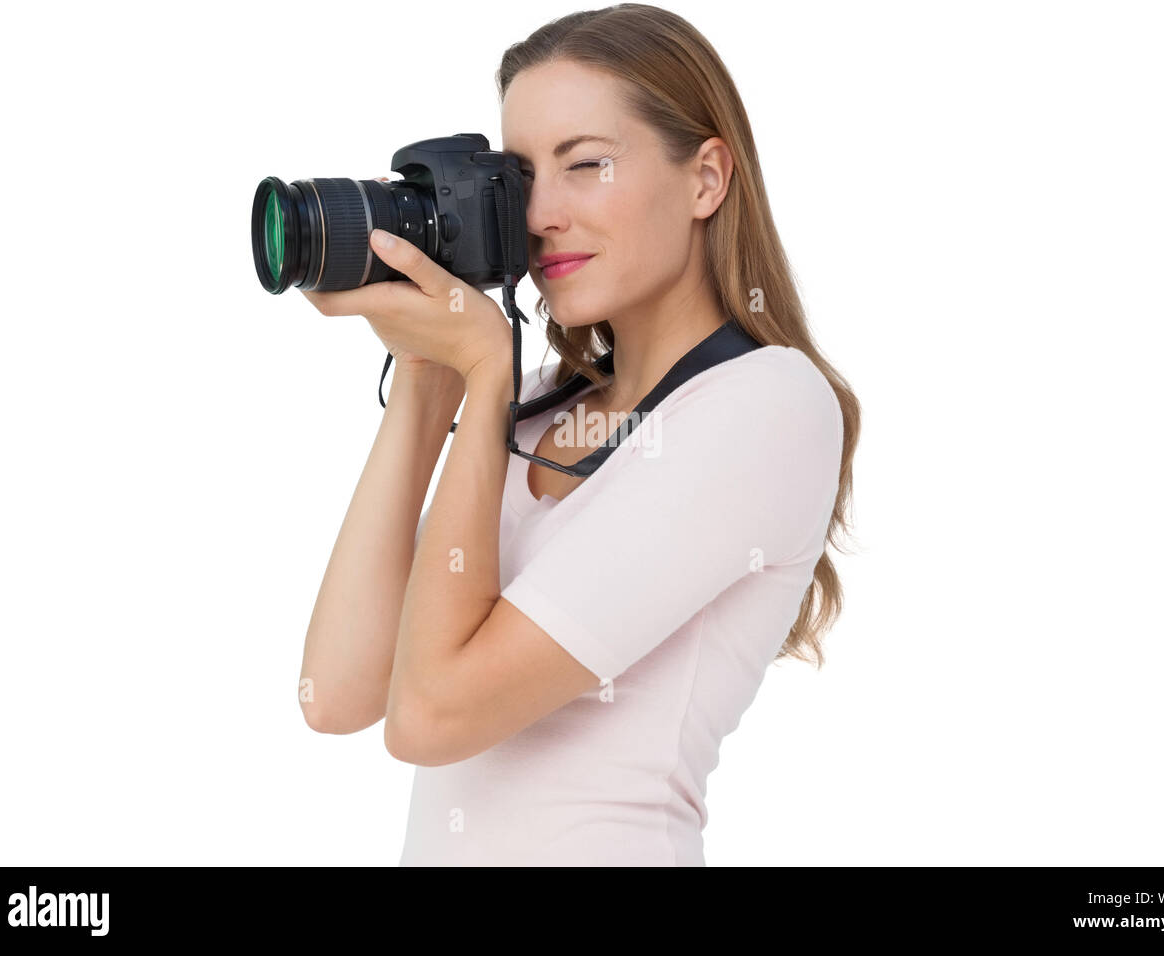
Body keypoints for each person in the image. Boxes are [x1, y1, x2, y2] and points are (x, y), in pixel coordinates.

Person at [296, 2, 861, 866]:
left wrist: (481, 378)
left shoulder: (768, 406)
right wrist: (427, 372)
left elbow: (431, 716)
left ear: (707, 179)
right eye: (523, 178)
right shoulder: (534, 407)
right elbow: (336, 693)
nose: (543, 216)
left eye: (587, 165)